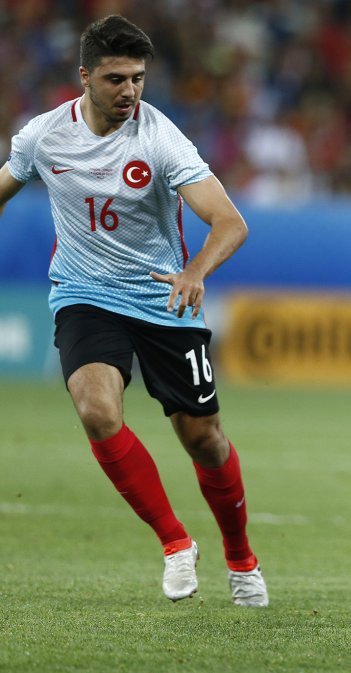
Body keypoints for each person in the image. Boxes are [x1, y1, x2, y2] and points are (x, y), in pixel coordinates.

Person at [0, 15, 268, 607]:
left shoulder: (161, 138)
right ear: (85, 77)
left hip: (163, 298)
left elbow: (230, 222)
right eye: (116, 78)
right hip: (85, 294)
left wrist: (195, 272)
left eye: (139, 79)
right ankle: (175, 542)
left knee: (204, 440)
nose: (130, 92)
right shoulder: (44, 136)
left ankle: (241, 558)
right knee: (97, 409)